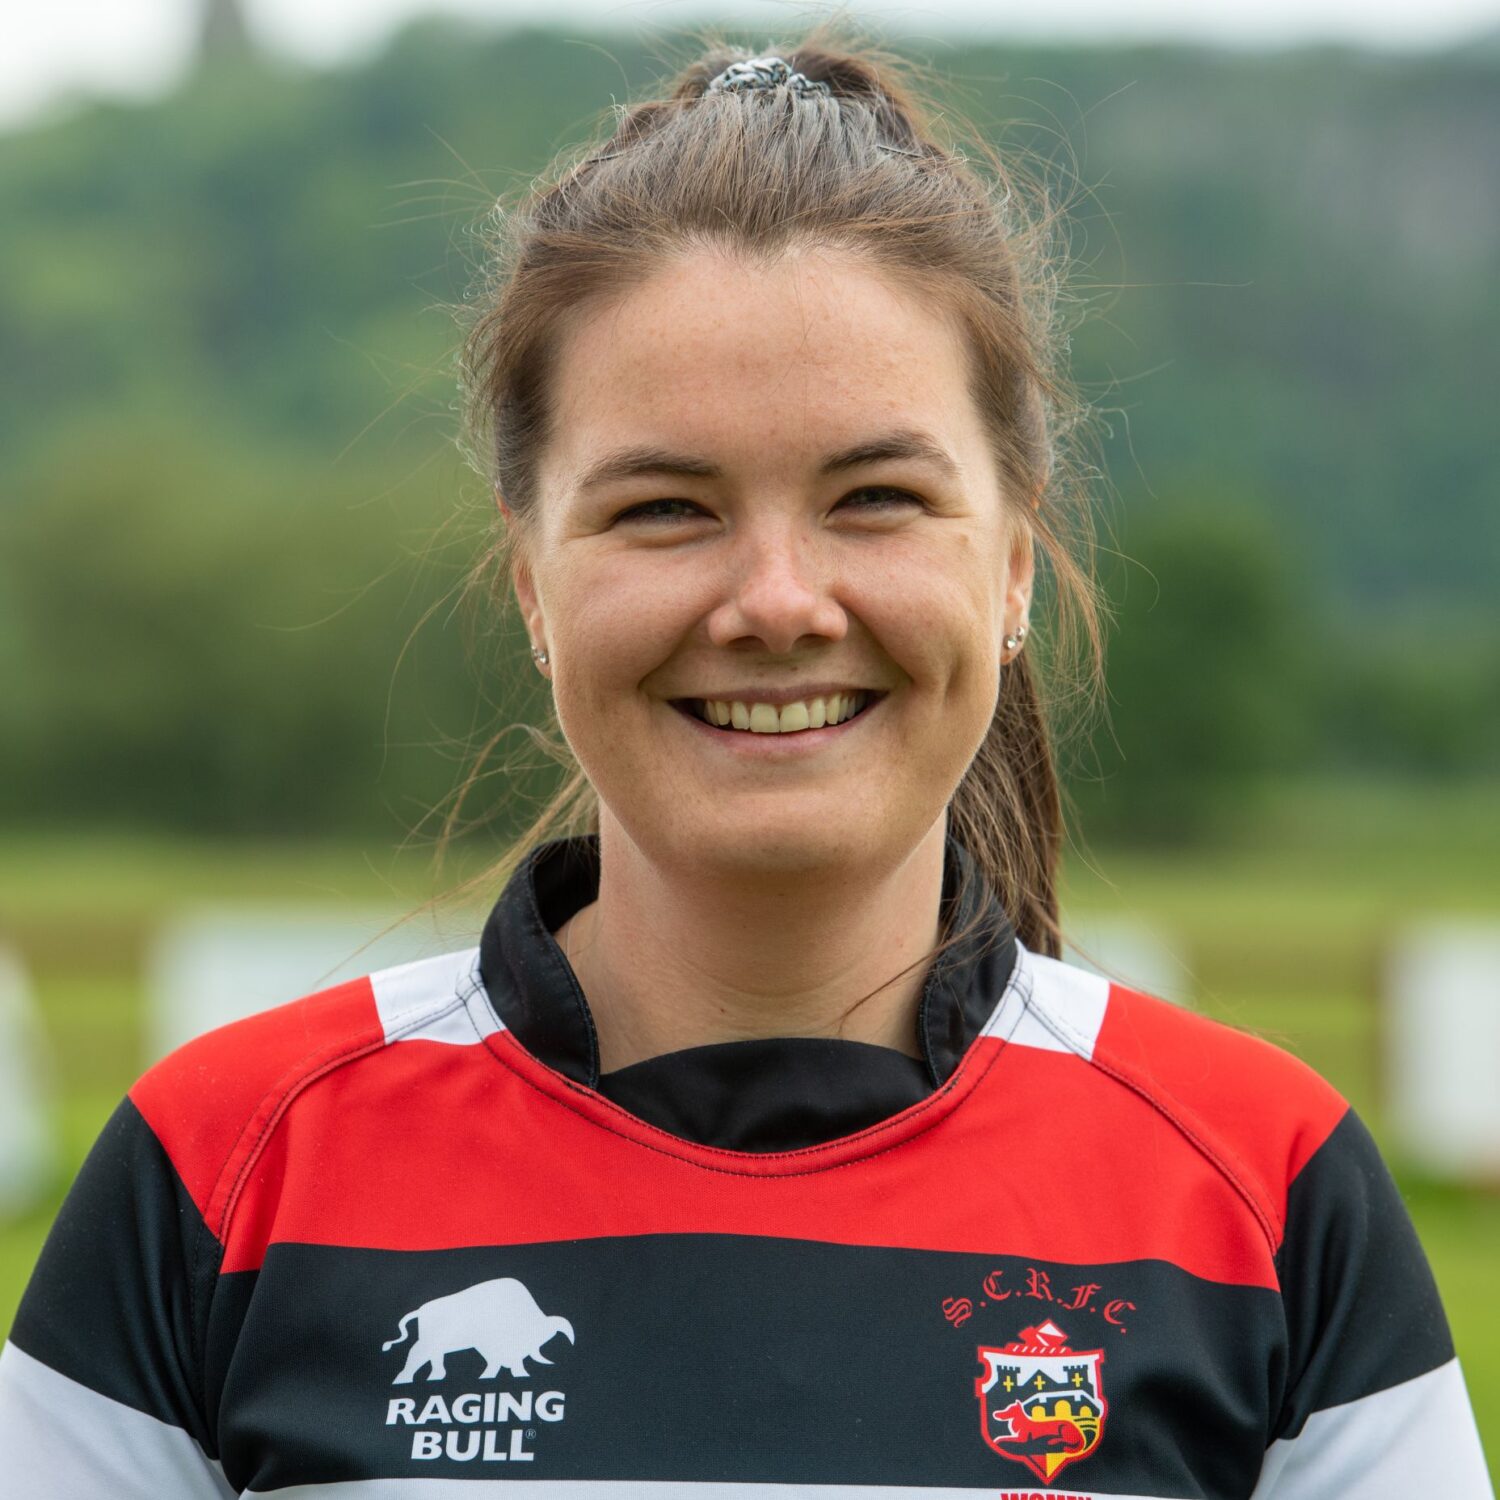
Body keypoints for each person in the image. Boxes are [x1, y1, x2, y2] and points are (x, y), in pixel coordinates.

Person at [0, 35, 1490, 1500]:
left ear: (1017, 567)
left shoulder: (1268, 1195)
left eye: (877, 498)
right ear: (532, 585)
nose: (777, 600)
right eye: (665, 508)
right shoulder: (218, 1174)